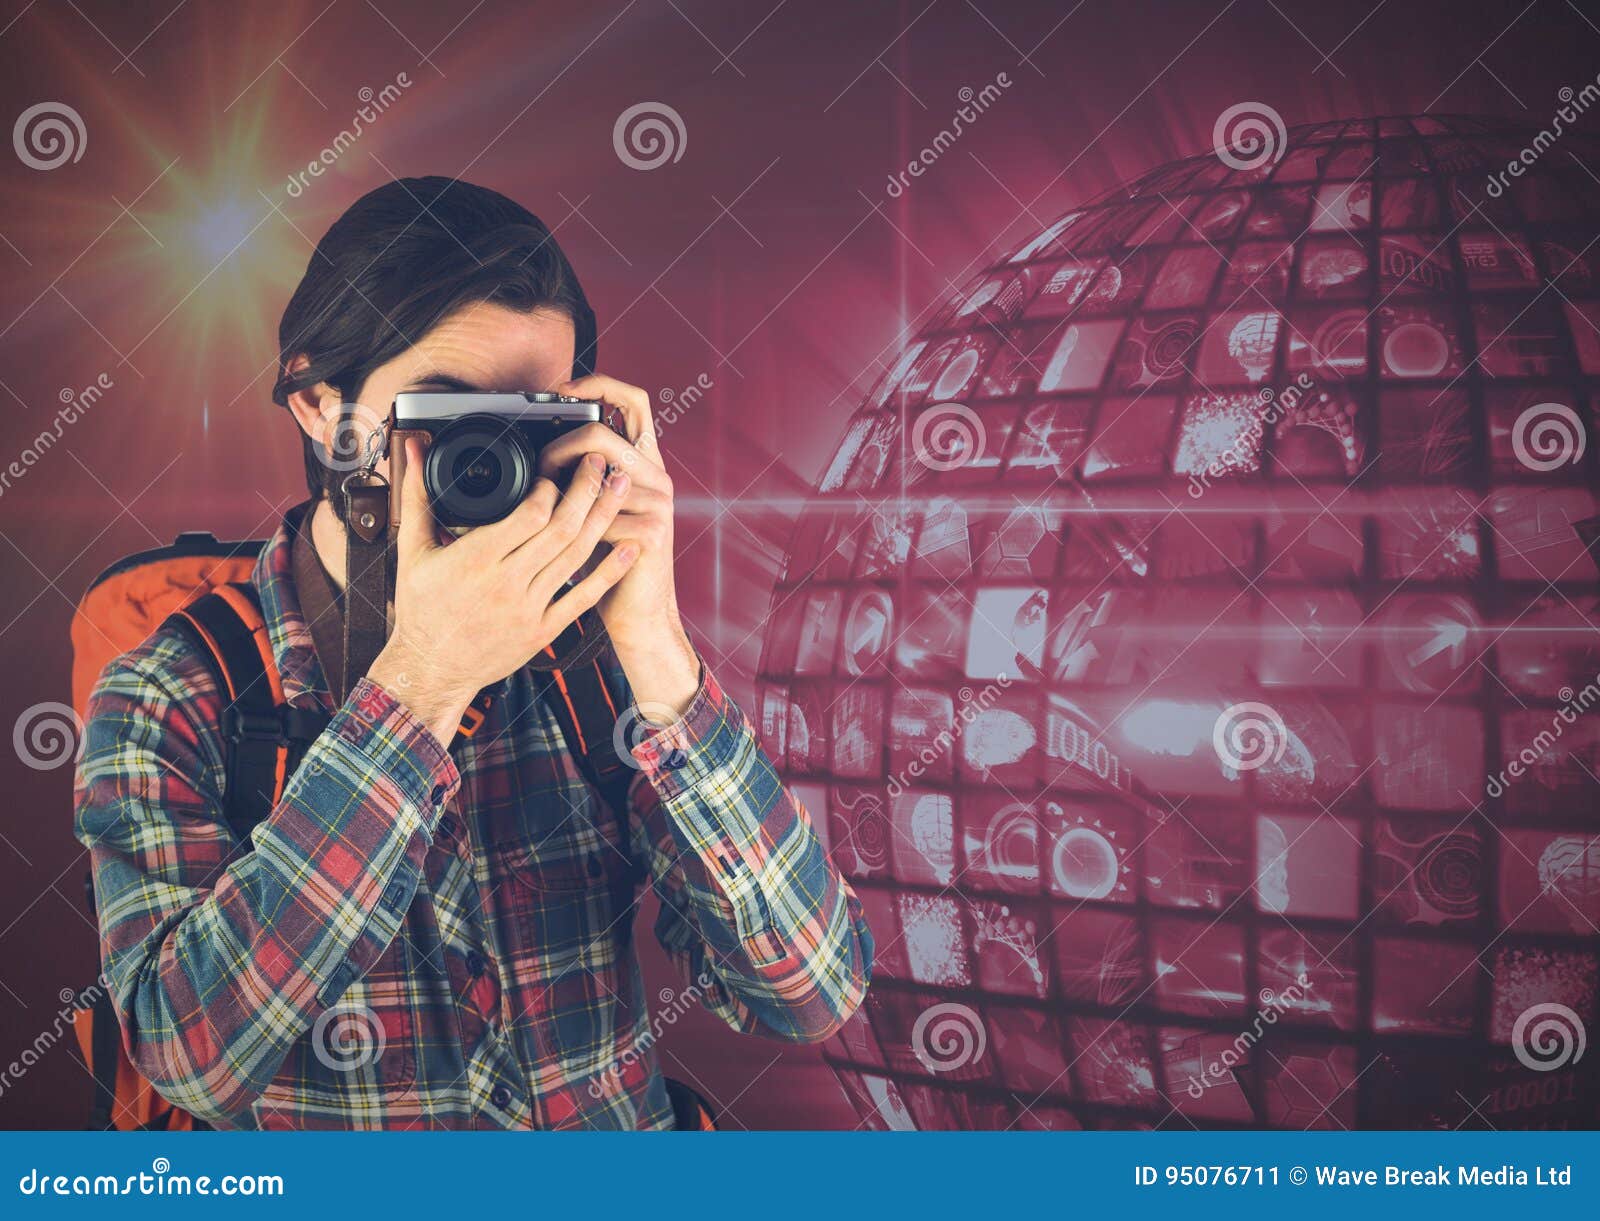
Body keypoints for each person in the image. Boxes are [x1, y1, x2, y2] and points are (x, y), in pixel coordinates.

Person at [74, 176, 873, 1130]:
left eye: (524, 421)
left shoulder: (593, 666)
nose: (485, 458)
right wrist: (421, 686)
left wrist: (656, 642)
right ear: (325, 408)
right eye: (444, 416)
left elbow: (811, 991)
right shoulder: (175, 691)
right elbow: (190, 1055)